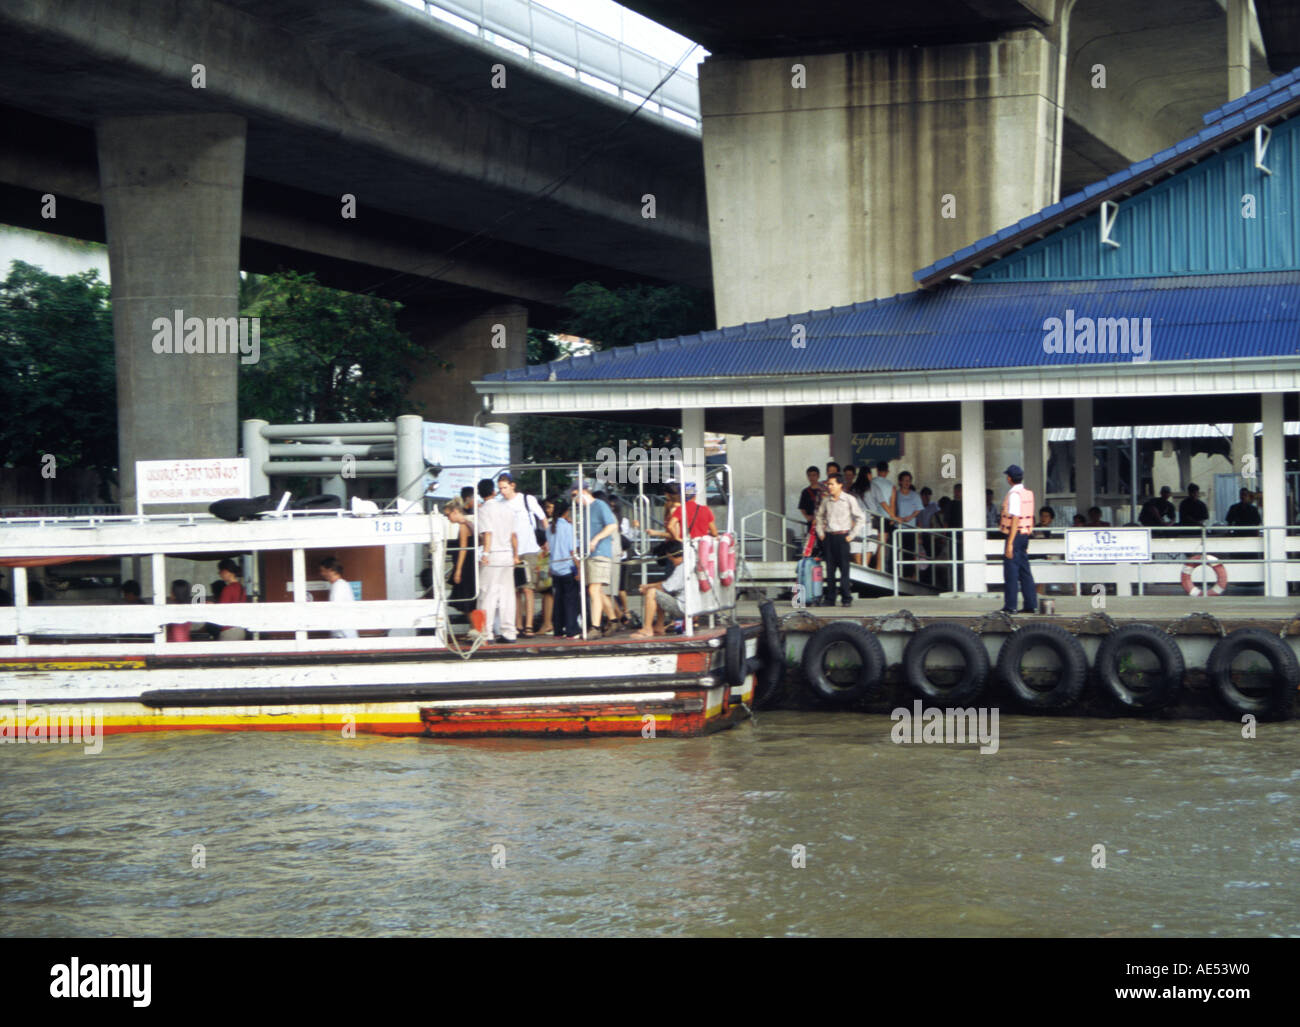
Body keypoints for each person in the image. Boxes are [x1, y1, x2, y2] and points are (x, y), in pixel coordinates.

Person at [496, 473, 547, 637]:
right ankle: (518, 624)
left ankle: (529, 625)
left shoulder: (527, 499)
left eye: (504, 487)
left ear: (513, 485)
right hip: (510, 551)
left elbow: (543, 518)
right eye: (500, 488)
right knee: (515, 590)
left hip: (529, 549)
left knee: (528, 589)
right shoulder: (500, 504)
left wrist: (548, 541)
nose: (502, 491)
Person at [571, 482, 618, 635]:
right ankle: (613, 619)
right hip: (588, 554)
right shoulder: (583, 510)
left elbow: (611, 525)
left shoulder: (600, 505)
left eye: (574, 495)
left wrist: (596, 539)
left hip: (600, 552)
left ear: (583, 491)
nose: (574, 499)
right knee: (596, 590)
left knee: (593, 589)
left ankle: (595, 627)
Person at [475, 476, 518, 643]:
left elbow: (488, 532)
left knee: (487, 595)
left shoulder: (484, 510)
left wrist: (485, 554)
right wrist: (515, 555)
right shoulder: (507, 509)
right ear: (493, 491)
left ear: (480, 494)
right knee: (507, 596)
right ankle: (509, 632)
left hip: (492, 555)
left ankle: (486, 634)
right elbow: (514, 535)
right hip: (508, 554)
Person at [814, 473, 864, 607]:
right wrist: (821, 533)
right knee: (830, 569)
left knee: (844, 569)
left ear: (840, 484)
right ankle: (830, 598)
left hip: (843, 537)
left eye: (832, 484)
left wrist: (852, 535)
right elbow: (819, 517)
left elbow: (860, 518)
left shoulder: (849, 499)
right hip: (829, 537)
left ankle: (846, 598)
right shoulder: (826, 501)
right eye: (828, 484)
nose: (829, 487)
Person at [998, 464, 1037, 614]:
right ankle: (1031, 604)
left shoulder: (1014, 495)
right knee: (1024, 570)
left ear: (1009, 478)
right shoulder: (1027, 493)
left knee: (1011, 571)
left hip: (1014, 535)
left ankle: (1010, 606)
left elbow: (1015, 518)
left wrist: (1010, 543)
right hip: (1025, 534)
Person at [629, 542, 687, 639]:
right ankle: (659, 626)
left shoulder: (682, 568)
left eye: (670, 558)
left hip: (682, 607)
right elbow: (668, 584)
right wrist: (649, 585)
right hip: (688, 604)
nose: (670, 561)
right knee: (659, 594)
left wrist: (647, 588)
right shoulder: (687, 564)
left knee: (652, 593)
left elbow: (666, 587)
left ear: (673, 555)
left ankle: (647, 629)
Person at [548, 499, 580, 638]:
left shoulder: (550, 528)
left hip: (554, 567)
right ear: (566, 512)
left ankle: (558, 629)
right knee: (570, 601)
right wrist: (578, 568)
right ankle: (571, 629)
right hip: (567, 567)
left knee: (558, 600)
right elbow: (572, 550)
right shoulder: (568, 527)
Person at [444, 502, 477, 618]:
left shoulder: (463, 526)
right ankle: (475, 629)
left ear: (455, 512)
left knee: (465, 599)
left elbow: (463, 549)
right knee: (467, 600)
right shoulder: (470, 524)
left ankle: (475, 629)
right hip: (471, 564)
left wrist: (458, 570)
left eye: (448, 515)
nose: (448, 518)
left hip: (466, 566)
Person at [891, 470, 923, 580]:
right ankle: (900, 575)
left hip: (910, 528)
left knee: (910, 553)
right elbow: (892, 508)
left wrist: (910, 517)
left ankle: (911, 576)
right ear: (900, 481)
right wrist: (896, 518)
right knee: (899, 552)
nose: (907, 483)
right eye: (905, 481)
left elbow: (918, 509)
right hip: (898, 527)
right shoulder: (896, 494)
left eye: (909, 481)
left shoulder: (915, 495)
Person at [317, 556, 358, 640]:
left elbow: (334, 609)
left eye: (323, 570)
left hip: (343, 635)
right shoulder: (340, 585)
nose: (322, 574)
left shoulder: (339, 586)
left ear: (331, 570)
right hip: (343, 633)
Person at [214, 558, 248, 641]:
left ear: (226, 571)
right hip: (240, 629)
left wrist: (211, 606)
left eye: (220, 571)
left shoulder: (228, 589)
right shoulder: (241, 588)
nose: (219, 574)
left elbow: (222, 610)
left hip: (229, 629)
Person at [868, 461, 893, 571]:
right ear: (887, 472)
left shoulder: (871, 483)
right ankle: (880, 567)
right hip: (886, 517)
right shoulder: (891, 486)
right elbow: (892, 503)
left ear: (877, 471)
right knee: (882, 544)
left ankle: (870, 565)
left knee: (871, 542)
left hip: (873, 517)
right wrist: (893, 517)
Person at [797, 466, 822, 530]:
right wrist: (807, 517)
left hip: (823, 522)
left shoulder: (824, 490)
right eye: (809, 475)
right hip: (812, 523)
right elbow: (802, 507)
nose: (812, 478)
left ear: (818, 476)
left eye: (814, 475)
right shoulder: (805, 492)